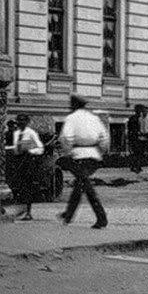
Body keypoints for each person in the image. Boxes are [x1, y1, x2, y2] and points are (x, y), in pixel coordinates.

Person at [58, 94, 109, 229]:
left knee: (85, 186)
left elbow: (66, 138)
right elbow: (104, 138)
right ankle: (68, 216)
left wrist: (68, 153)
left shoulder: (71, 118)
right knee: (81, 185)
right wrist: (100, 152)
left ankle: (101, 218)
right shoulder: (94, 118)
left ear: (74, 105)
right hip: (94, 156)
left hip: (78, 155)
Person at [9, 114, 44, 221]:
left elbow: (40, 148)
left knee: (28, 186)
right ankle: (21, 209)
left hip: (28, 161)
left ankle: (28, 212)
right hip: (18, 161)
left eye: (23, 121)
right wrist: (15, 150)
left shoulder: (31, 133)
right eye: (19, 121)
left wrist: (30, 150)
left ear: (27, 122)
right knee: (19, 186)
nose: (20, 123)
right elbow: (15, 147)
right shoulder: (16, 133)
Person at [128, 104, 148, 174]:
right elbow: (133, 128)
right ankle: (138, 167)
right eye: (143, 111)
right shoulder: (139, 119)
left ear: (147, 111)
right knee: (139, 153)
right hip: (141, 137)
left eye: (145, 111)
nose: (144, 112)